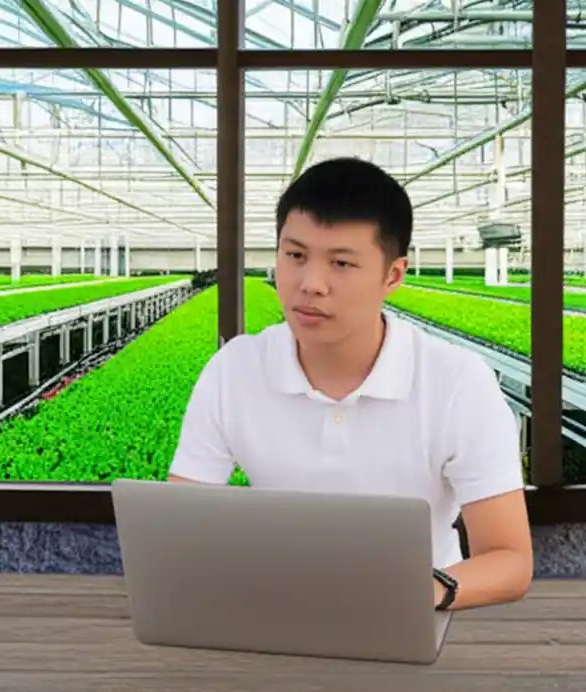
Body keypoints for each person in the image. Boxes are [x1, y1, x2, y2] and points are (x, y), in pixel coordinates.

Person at [167, 157, 533, 612]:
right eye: (295, 256)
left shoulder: (458, 382)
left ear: (393, 275)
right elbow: (177, 530)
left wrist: (414, 595)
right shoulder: (234, 370)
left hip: (413, 617)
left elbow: (509, 559)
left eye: (341, 263)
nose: (310, 284)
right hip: (272, 614)